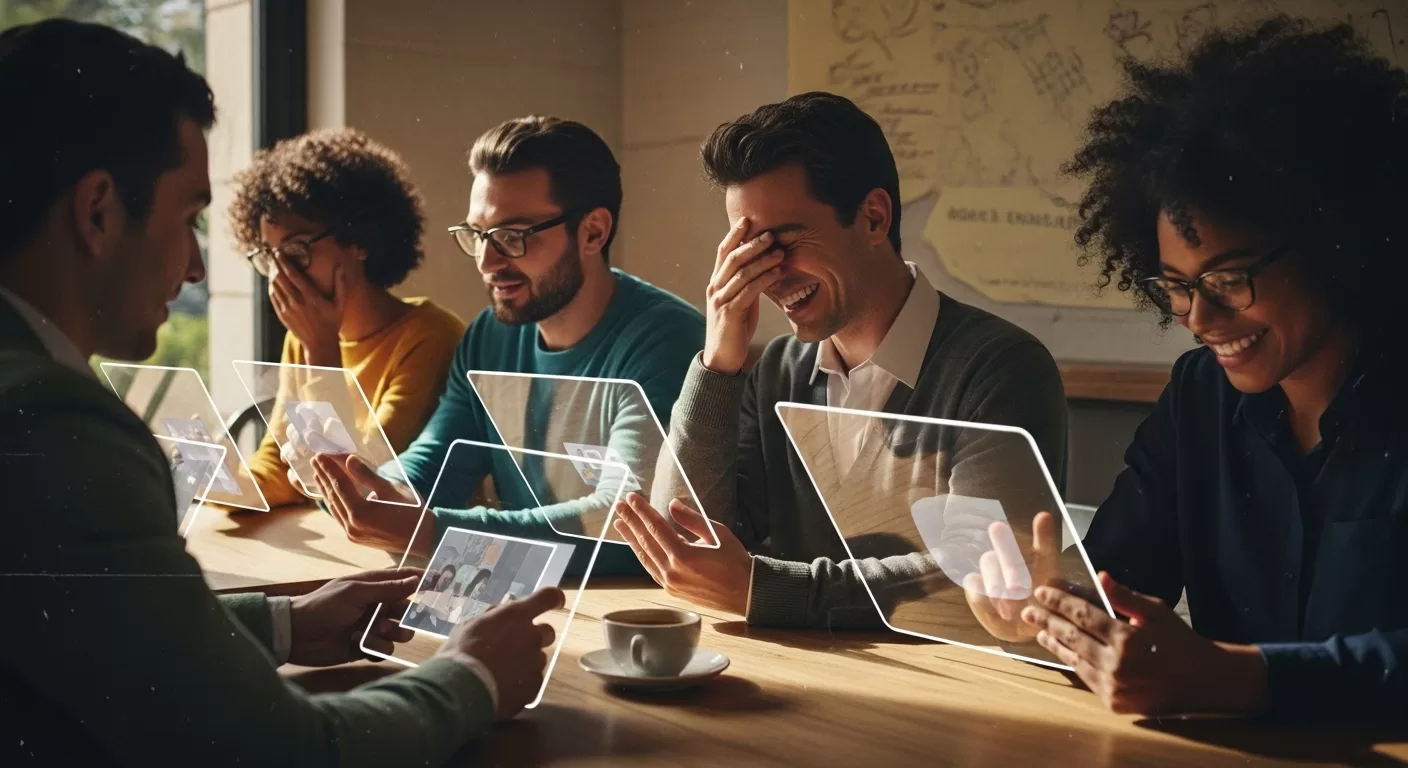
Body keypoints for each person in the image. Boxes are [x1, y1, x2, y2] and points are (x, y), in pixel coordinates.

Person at [0, 20, 563, 766]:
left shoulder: (431, 336)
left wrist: (283, 626)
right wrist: (473, 676)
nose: (198, 267)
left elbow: (373, 473)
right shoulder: (53, 419)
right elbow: (285, 749)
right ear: (98, 211)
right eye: (186, 218)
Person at [980, 17, 1408, 721]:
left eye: (1229, 277)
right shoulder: (1199, 397)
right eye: (1175, 286)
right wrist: (1039, 609)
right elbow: (1117, 580)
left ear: (1335, 241)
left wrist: (1244, 679)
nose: (1198, 319)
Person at [610, 92, 1069, 628]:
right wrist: (718, 363)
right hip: (813, 682)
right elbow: (689, 545)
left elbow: (985, 581)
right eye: (750, 250)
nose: (768, 274)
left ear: (873, 218)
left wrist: (768, 589)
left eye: (784, 240)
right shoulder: (778, 370)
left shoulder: (1001, 367)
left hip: (955, 693)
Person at [309, 116, 705, 576]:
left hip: (627, 609)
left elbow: (625, 523)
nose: (487, 261)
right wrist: (371, 490)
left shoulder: (667, 340)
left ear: (593, 232)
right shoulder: (489, 336)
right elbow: (434, 466)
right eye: (478, 235)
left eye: (512, 236)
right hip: (521, 589)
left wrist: (431, 532)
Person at [228, 128, 465, 509]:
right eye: (269, 257)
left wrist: (322, 348)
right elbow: (276, 472)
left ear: (360, 241)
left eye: (297, 249)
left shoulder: (430, 336)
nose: (281, 274)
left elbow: (363, 476)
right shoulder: (301, 338)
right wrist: (214, 476)